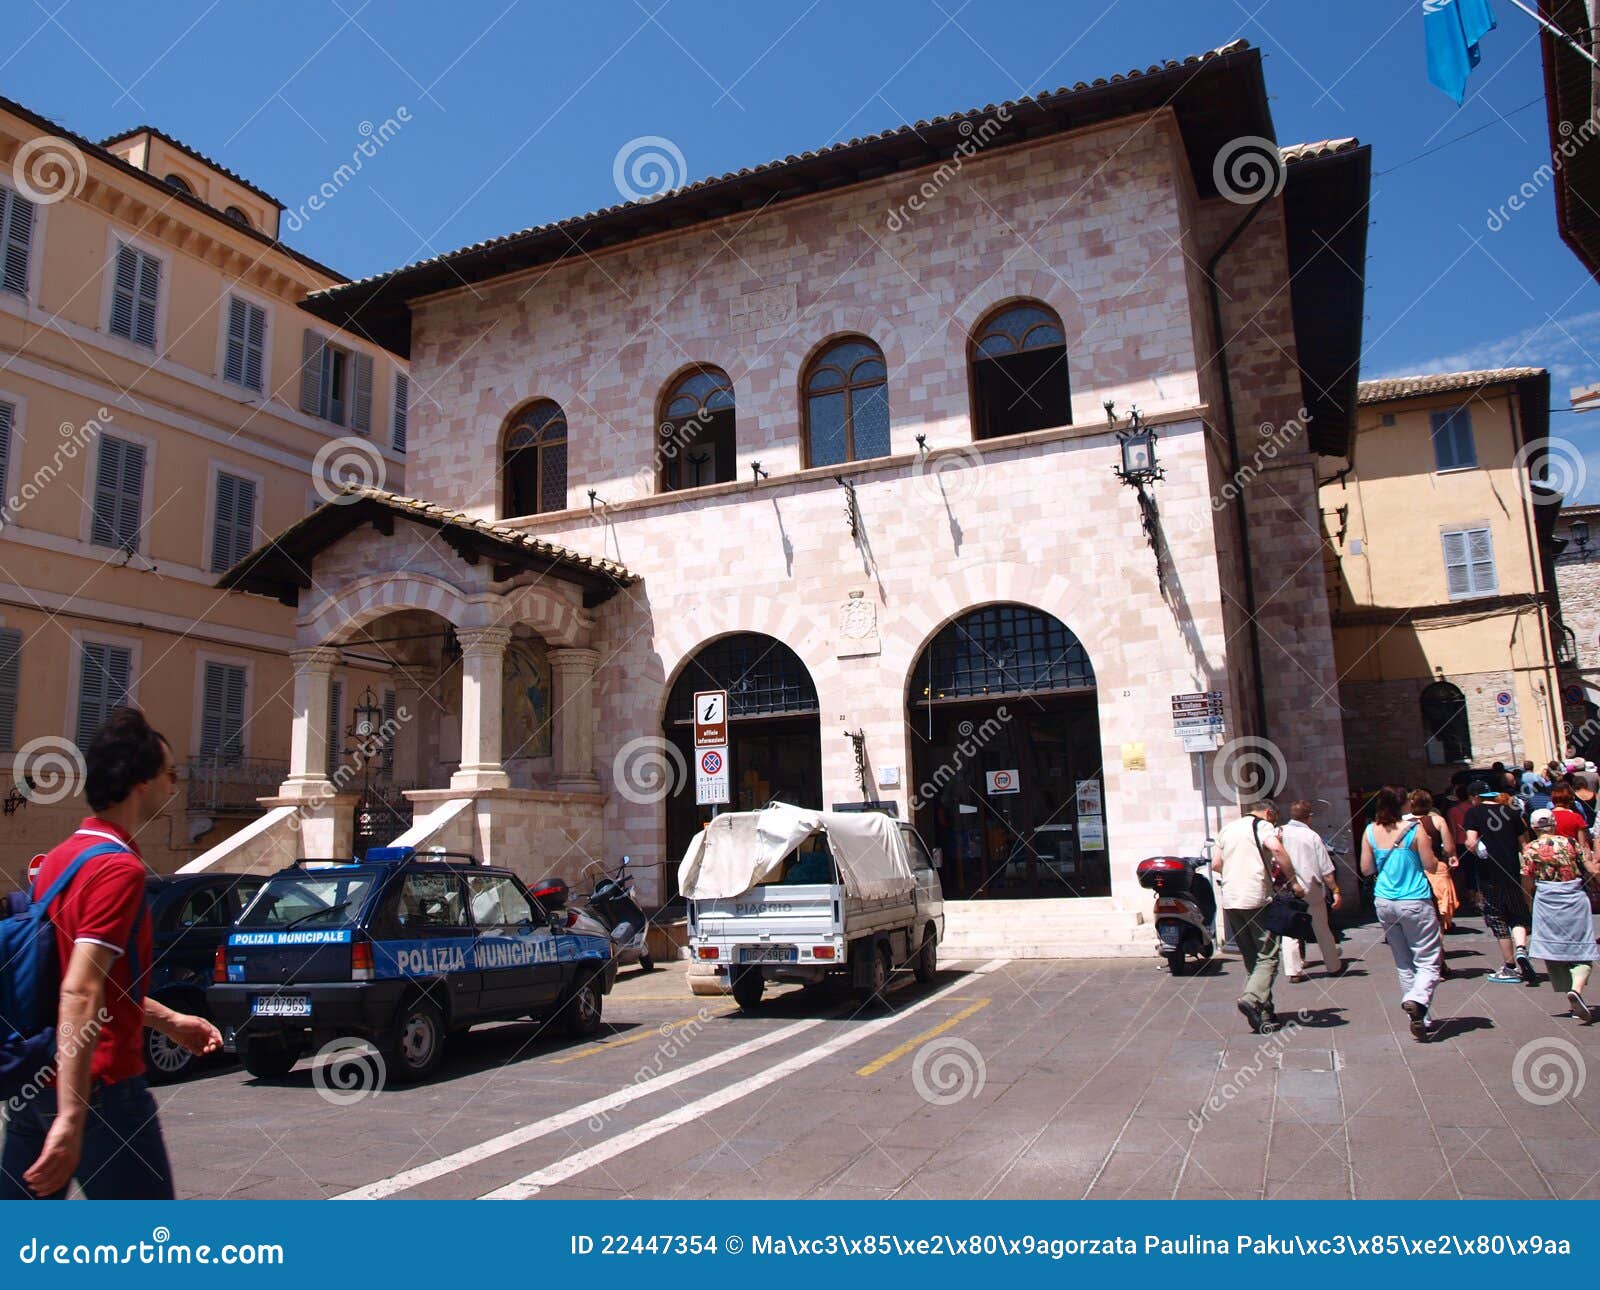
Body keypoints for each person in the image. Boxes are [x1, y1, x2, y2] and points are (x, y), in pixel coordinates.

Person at [0, 708, 221, 1200]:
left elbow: (86, 983)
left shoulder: (60, 858)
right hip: (101, 1088)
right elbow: (81, 989)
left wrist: (170, 1021)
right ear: (142, 783)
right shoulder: (119, 869)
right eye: (170, 774)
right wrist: (72, 1116)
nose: (174, 785)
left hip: (36, 1081)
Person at [1361, 785, 1445, 1041]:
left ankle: (1420, 1018)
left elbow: (1366, 869)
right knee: (1428, 960)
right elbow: (1430, 864)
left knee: (1403, 962)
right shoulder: (1414, 830)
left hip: (1385, 901)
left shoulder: (1370, 831)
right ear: (1402, 805)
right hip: (1414, 899)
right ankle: (1417, 1000)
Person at [1214, 800, 1302, 1034]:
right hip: (1255, 898)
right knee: (1269, 955)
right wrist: (1293, 881)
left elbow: (1216, 864)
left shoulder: (1227, 829)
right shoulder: (1262, 826)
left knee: (1252, 957)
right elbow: (1277, 850)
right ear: (1269, 813)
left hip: (1231, 899)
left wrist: (1236, 873)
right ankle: (1251, 999)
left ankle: (1264, 1011)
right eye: (1275, 818)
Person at [1522, 808, 1600, 1023]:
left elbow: (1527, 881)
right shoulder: (1571, 843)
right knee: (1582, 950)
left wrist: (1528, 903)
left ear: (1533, 827)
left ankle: (1572, 996)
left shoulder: (1530, 849)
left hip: (1546, 900)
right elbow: (1592, 869)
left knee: (1553, 950)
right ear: (1554, 824)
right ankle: (1577, 989)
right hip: (1574, 898)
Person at [1465, 784, 1536, 985]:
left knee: (1498, 919)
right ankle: (1521, 948)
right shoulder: (1511, 811)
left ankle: (1510, 966)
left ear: (1476, 797)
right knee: (1517, 913)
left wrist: (1478, 850)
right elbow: (1524, 844)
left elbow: (1471, 842)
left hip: (1489, 874)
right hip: (1512, 872)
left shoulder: (1474, 813)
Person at [1278, 800, 1344, 981]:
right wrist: (1335, 890)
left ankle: (1293, 971)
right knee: (1321, 927)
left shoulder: (1278, 832)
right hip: (1311, 887)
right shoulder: (1311, 836)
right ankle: (1333, 965)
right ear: (1309, 817)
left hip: (1287, 888)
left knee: (1289, 929)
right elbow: (1326, 869)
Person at [1407, 789, 1460, 937]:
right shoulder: (1438, 820)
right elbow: (1449, 848)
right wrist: (1451, 855)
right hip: (1435, 867)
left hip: (1412, 868)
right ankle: (1438, 939)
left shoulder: (1403, 823)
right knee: (1439, 905)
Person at [1549, 783, 1593, 859]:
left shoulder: (1547, 817)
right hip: (1572, 859)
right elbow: (1583, 845)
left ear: (1552, 799)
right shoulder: (1576, 817)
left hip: (1552, 858)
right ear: (1570, 799)